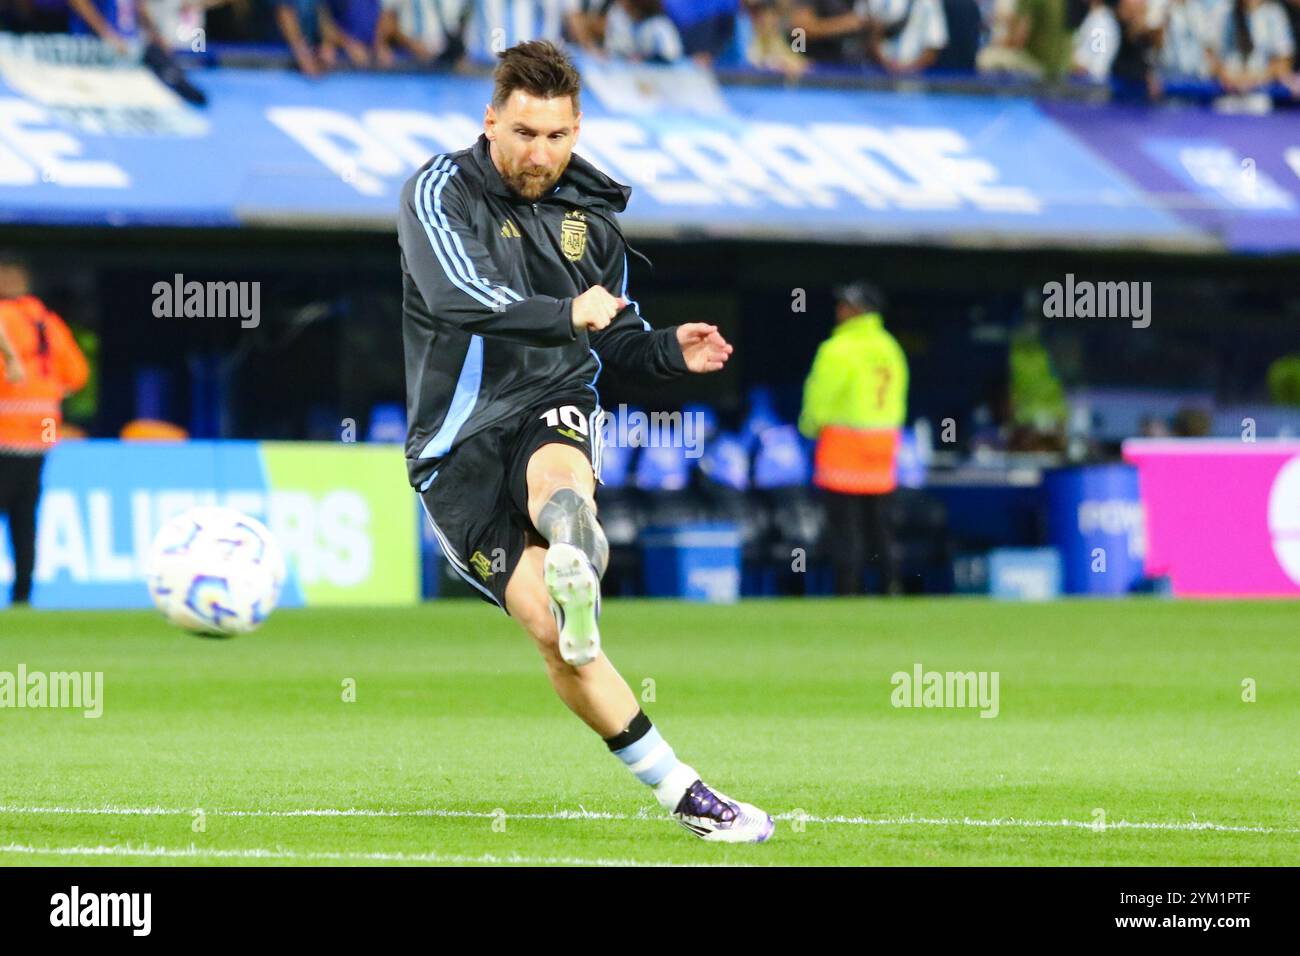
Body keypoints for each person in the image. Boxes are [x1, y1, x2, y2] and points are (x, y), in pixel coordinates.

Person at [396, 41, 772, 842]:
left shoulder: (588, 218)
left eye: (558, 136)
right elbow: (455, 295)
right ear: (490, 119)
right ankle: (577, 581)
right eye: (525, 133)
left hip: (550, 398)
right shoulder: (438, 192)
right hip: (455, 444)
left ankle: (690, 799)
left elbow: (618, 333)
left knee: (561, 475)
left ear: (577, 130)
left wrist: (671, 347)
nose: (541, 154)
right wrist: (569, 316)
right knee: (553, 637)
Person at [798, 282, 908, 596]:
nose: (839, 310)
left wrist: (810, 427)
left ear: (859, 311)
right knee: (881, 527)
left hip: (843, 446)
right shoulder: (890, 347)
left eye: (845, 305)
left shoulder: (839, 348)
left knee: (846, 529)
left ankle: (849, 591)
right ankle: (891, 586)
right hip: (883, 446)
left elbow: (820, 396)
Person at [0, 257, 90, 608]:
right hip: (43, 432)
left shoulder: (6, 318)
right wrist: (48, 390)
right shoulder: (49, 322)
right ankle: (24, 595)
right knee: (25, 518)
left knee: (16, 512)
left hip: (6, 433)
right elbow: (77, 375)